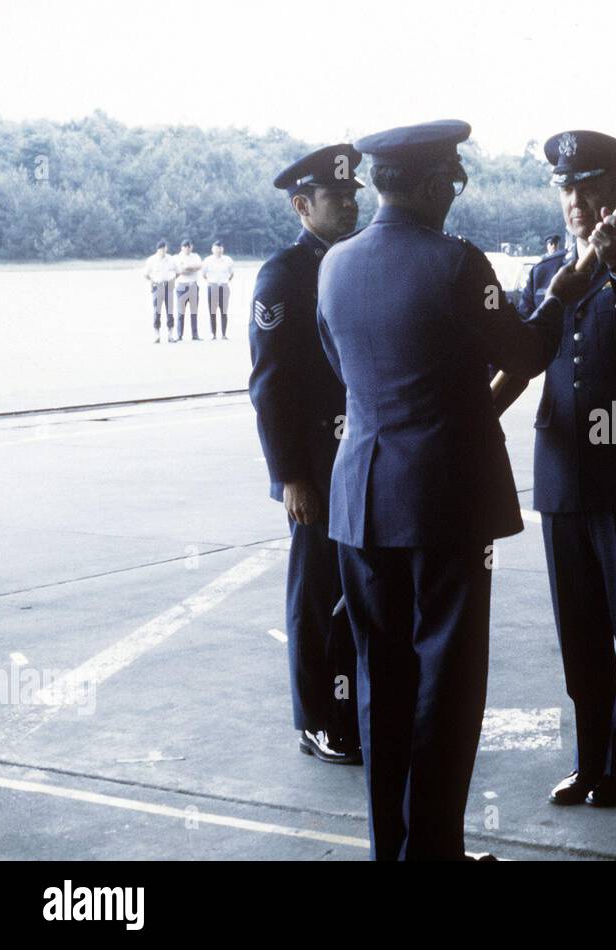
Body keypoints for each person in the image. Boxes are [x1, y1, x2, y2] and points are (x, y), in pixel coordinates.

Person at [317, 121, 588, 859]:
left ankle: (394, 849)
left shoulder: (334, 266)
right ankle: (432, 853)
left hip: (360, 505)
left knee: (382, 690)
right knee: (447, 688)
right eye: (454, 183)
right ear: (435, 184)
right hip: (441, 505)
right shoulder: (457, 264)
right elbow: (526, 351)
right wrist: (562, 292)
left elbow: (346, 367)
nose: (455, 196)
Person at [493, 129, 616, 808]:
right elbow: (519, 360)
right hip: (562, 468)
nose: (574, 200)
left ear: (615, 189)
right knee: (577, 628)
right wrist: (473, 416)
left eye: (587, 186)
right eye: (565, 188)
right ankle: (590, 760)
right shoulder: (548, 275)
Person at [248, 144, 366, 772]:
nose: (349, 204)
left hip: (361, 455)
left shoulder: (355, 262)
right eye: (335, 197)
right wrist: (290, 474)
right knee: (317, 594)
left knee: (357, 592)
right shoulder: (285, 275)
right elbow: (270, 385)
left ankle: (351, 710)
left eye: (353, 195)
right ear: (302, 206)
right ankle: (318, 720)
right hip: (316, 464)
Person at [520, 232, 567, 318]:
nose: (553, 246)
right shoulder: (540, 264)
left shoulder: (566, 260)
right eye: (551, 243)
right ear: (547, 245)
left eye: (555, 243)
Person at [144, 240, 177, 343]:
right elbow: (146, 274)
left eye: (164, 249)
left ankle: (170, 335)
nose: (163, 251)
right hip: (157, 286)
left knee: (170, 311)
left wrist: (172, 280)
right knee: (157, 311)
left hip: (168, 285)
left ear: (166, 248)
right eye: (161, 249)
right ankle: (156, 335)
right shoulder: (151, 260)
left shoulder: (171, 259)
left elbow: (178, 272)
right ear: (157, 250)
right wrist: (153, 281)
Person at [203, 240, 234, 340]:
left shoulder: (228, 260)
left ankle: (224, 334)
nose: (218, 250)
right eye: (216, 248)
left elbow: (232, 274)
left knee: (224, 311)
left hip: (224, 287)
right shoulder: (207, 260)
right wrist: (211, 283)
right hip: (212, 286)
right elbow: (204, 274)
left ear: (223, 249)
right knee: (212, 311)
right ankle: (213, 334)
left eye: (220, 248)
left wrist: (225, 282)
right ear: (212, 249)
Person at [172, 239, 202, 341]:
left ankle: (195, 335)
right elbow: (181, 270)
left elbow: (199, 267)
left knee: (194, 312)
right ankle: (179, 335)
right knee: (181, 312)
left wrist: (188, 267)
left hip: (193, 285)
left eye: (189, 247)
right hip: (182, 286)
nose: (187, 249)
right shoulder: (177, 257)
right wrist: (190, 268)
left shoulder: (196, 256)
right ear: (182, 247)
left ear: (191, 247)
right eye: (185, 247)